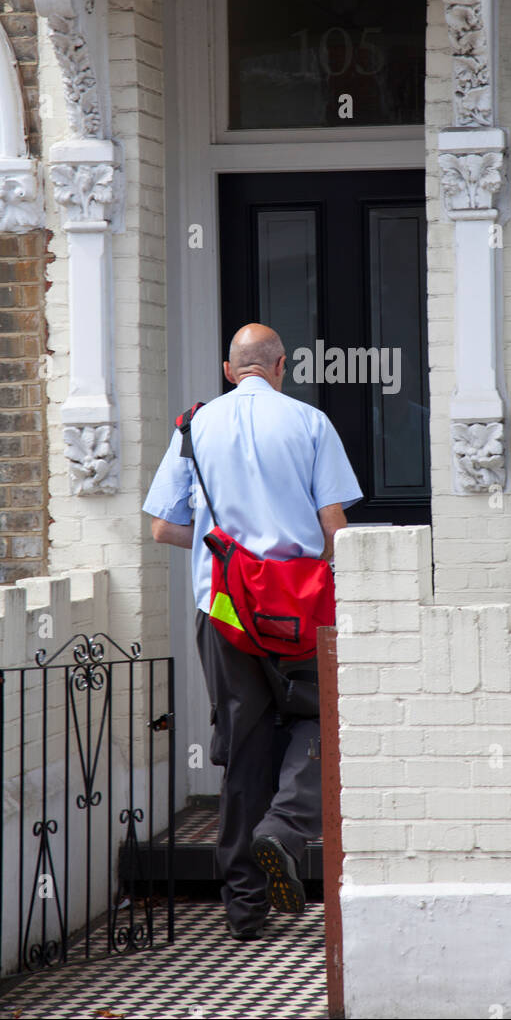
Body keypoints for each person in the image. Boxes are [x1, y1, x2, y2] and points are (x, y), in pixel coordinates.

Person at [143, 323, 362, 940]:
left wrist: (227, 552)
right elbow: (334, 526)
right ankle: (284, 828)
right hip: (300, 609)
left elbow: (163, 527)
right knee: (319, 719)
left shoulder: (194, 427)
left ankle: (244, 906)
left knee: (242, 747)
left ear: (227, 369)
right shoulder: (309, 423)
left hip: (226, 610)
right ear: (281, 365)